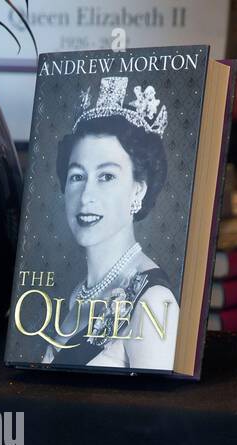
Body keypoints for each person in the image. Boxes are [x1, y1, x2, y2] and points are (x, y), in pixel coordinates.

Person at [43, 79, 178, 370]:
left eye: (106, 176)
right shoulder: (80, 293)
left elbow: (155, 414)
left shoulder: (153, 302)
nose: (86, 196)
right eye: (77, 176)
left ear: (138, 190)